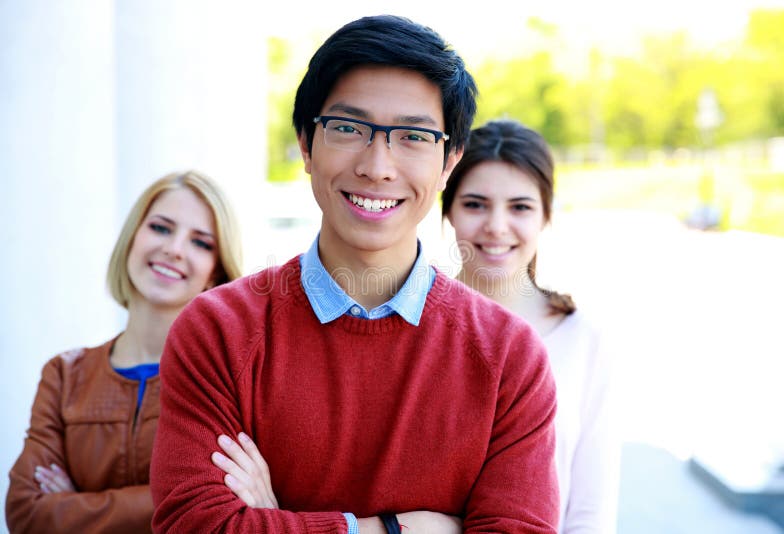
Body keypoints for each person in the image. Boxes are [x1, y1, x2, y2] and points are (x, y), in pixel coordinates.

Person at [149, 14, 559, 534]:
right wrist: (385, 528)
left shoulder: (509, 358)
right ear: (305, 143)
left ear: (449, 161)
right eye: (348, 128)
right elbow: (194, 527)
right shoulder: (218, 332)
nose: (377, 165)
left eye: (412, 136)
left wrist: (275, 521)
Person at [5, 170, 243, 534]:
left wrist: (69, 507)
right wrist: (175, 501)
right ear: (132, 238)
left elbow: (218, 511)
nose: (174, 249)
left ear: (215, 273)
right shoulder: (64, 375)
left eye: (201, 243)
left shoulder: (229, 380)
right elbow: (25, 511)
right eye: (161, 228)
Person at [441, 119, 619, 533]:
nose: (497, 226)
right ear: (447, 210)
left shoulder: (583, 339)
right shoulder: (414, 324)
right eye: (475, 204)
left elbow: (591, 512)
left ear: (545, 216)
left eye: (520, 207)